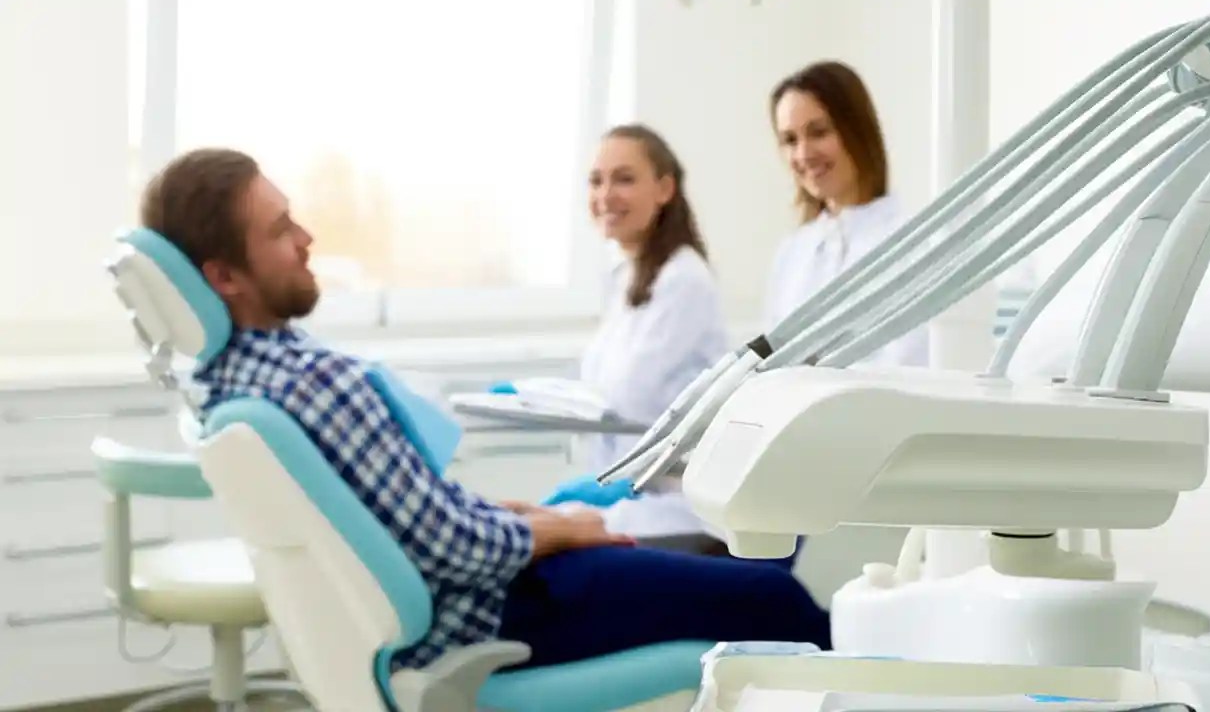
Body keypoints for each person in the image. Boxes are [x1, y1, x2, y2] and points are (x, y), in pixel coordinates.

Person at [140, 147, 830, 673]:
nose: (306, 238)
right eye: (281, 228)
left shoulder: (233, 381)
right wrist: (559, 531)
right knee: (777, 602)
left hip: (476, 589)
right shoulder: (313, 381)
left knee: (734, 578)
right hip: (496, 607)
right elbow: (449, 546)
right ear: (223, 277)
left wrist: (522, 515)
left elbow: (407, 516)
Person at [537, 124, 729, 542]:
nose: (606, 195)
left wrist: (604, 491)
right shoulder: (623, 278)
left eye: (624, 179)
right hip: (629, 492)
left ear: (664, 189)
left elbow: (631, 402)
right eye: (596, 180)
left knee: (537, 541)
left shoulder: (684, 281)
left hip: (674, 506)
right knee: (522, 525)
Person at [765, 60, 929, 365]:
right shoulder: (792, 251)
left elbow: (909, 366)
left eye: (818, 132)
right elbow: (768, 351)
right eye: (790, 140)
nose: (803, 154)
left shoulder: (911, 245)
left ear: (857, 131)